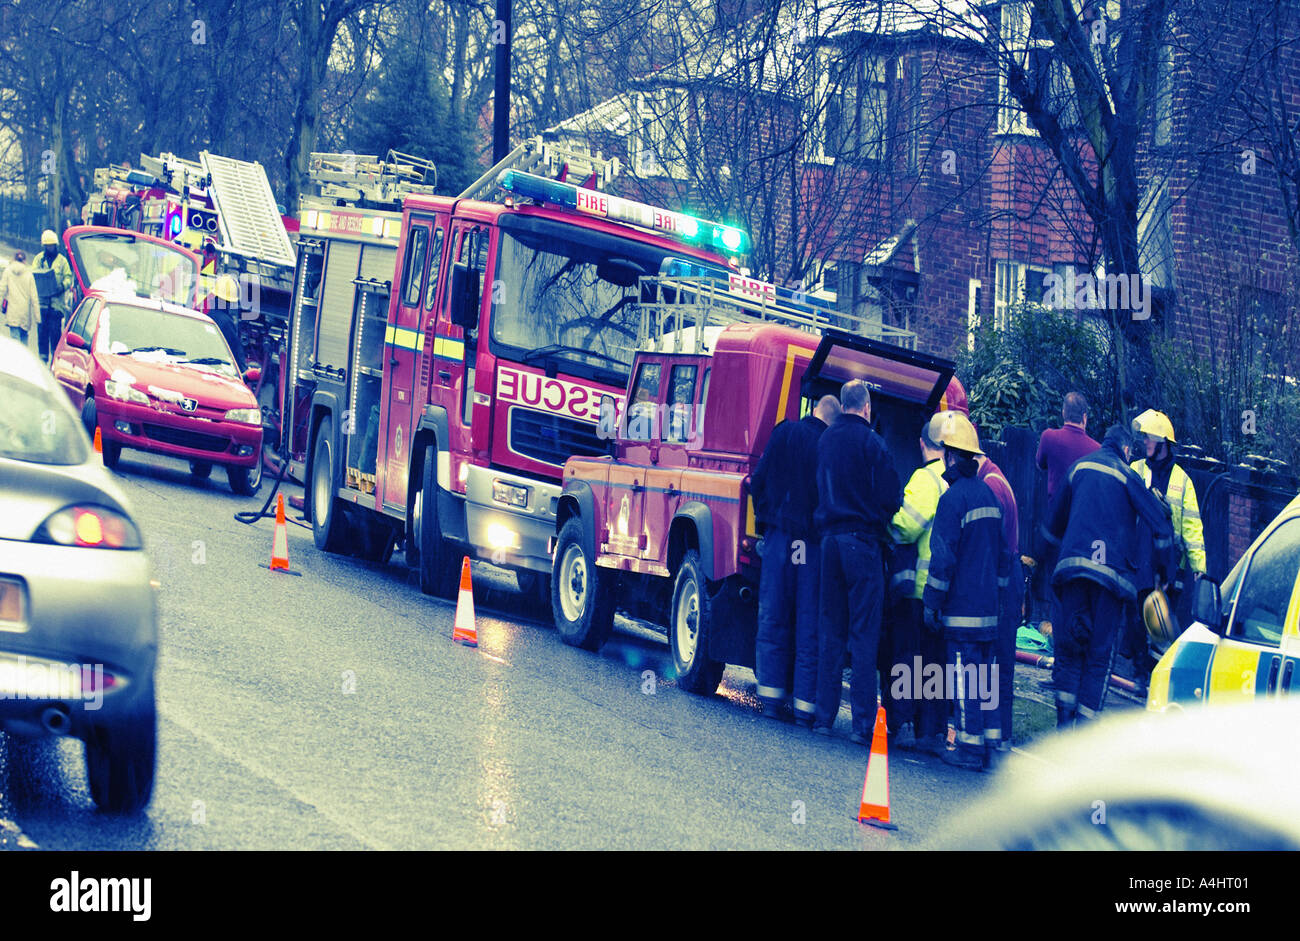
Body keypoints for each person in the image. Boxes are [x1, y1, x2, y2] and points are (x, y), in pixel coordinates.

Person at [1041, 424, 1174, 727]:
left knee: (1070, 652)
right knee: (1098, 658)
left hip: (1072, 575)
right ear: (1127, 450)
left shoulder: (1078, 468)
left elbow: (1051, 526)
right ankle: (1085, 734)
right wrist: (1164, 573)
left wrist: (1044, 567)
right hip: (1110, 584)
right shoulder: (1129, 477)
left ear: (1104, 444)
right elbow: (1161, 527)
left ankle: (1064, 730)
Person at [812, 379, 901, 744]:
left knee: (831, 631)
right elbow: (892, 497)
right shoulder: (873, 443)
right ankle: (863, 725)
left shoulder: (825, 440)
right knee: (864, 635)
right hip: (862, 544)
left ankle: (823, 717)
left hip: (829, 542)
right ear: (866, 408)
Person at [923, 412, 1009, 771]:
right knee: (984, 678)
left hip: (962, 611)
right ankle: (989, 745)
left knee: (963, 676)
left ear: (953, 456)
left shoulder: (953, 499)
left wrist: (931, 603)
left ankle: (969, 749)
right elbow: (1003, 556)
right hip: (989, 611)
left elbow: (942, 560)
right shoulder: (989, 495)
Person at [752, 394, 841, 725]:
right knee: (808, 623)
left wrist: (764, 521)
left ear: (813, 409)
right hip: (810, 545)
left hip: (779, 539)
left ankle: (771, 701)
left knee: (774, 614)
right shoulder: (829, 446)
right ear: (832, 420)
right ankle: (805, 708)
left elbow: (757, 482)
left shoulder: (783, 432)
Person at [1122, 408, 1206, 692]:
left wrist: (1199, 567)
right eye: (1144, 437)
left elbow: (1193, 528)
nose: (1144, 441)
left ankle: (1158, 676)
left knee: (1162, 624)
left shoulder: (1183, 481)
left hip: (1169, 566)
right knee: (1136, 618)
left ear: (1163, 441)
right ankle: (1140, 673)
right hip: (1137, 561)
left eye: (1149, 437)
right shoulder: (1135, 470)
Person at [884, 413, 949, 753]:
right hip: (943, 589)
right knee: (935, 662)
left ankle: (905, 723)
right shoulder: (956, 477)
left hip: (916, 588)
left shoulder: (926, 479)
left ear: (923, 444)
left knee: (906, 657)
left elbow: (906, 526)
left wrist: (884, 527)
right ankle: (934, 729)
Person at [976, 437, 1021, 766]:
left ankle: (995, 737)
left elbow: (989, 547)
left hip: (1001, 582)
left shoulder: (990, 487)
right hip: (1007, 579)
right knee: (999, 661)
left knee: (996, 660)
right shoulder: (996, 478)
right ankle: (998, 736)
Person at [1035, 392, 1100, 502]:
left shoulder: (1048, 437)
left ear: (1063, 413)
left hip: (1056, 512)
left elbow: (1040, 465)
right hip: (1082, 512)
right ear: (1084, 417)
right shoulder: (1097, 450)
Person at [32, 230, 74, 363]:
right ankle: (42, 360)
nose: (49, 248)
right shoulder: (39, 259)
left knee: (55, 334)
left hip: (57, 306)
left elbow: (68, 277)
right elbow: (33, 275)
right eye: (47, 246)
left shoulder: (62, 261)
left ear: (55, 245)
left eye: (51, 245)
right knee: (42, 334)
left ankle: (55, 360)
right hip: (42, 304)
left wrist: (62, 286)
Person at [202, 274, 246, 371]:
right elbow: (235, 350)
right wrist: (244, 371)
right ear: (230, 302)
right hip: (218, 367)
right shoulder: (227, 322)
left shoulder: (209, 316)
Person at [0, 250, 40, 347]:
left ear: (13, 259)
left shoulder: (8, 271)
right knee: (23, 340)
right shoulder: (29, 274)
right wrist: (37, 317)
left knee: (14, 341)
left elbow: (2, 290)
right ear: (24, 261)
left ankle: (16, 360)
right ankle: (24, 359)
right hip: (24, 314)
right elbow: (34, 297)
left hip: (12, 312)